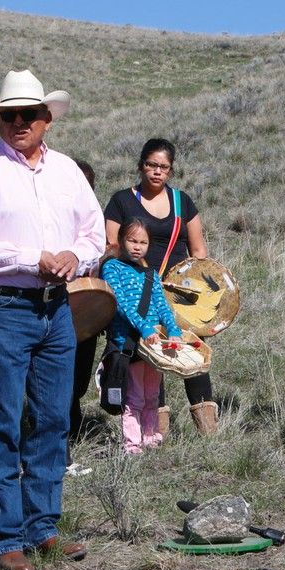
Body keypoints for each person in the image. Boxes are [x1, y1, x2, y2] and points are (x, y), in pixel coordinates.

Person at [0, 68, 105, 570]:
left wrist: (72, 260)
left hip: (56, 305)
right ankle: (5, 534)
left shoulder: (66, 172)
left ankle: (43, 527)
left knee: (55, 417)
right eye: (7, 115)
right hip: (1, 307)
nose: (17, 122)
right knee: (4, 420)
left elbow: (94, 233)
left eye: (27, 115)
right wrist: (32, 258)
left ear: (46, 120)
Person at [104, 138, 217, 435]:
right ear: (141, 165)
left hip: (179, 295)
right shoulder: (121, 201)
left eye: (164, 167)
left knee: (191, 353)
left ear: (171, 170)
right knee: (150, 357)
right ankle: (154, 432)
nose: (157, 172)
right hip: (138, 293)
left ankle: (208, 431)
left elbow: (199, 251)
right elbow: (111, 246)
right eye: (152, 165)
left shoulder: (183, 202)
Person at [100, 219, 183, 454]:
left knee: (152, 393)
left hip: (154, 343)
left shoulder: (150, 274)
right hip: (129, 342)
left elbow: (162, 305)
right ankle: (132, 442)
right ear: (122, 241)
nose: (137, 247)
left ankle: (150, 435)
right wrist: (144, 326)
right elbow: (121, 303)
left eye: (143, 242)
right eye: (132, 240)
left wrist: (173, 329)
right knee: (134, 395)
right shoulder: (112, 268)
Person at [66, 158, 97, 476]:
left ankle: (71, 429)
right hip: (58, 311)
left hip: (89, 314)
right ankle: (57, 444)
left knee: (78, 379)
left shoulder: (96, 223)